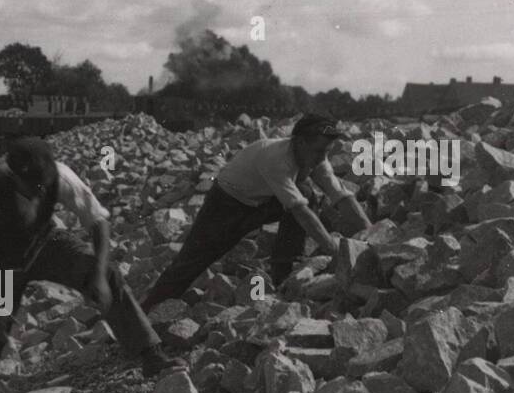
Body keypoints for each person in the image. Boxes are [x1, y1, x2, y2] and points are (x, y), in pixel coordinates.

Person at [0, 136, 179, 393]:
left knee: (104, 272)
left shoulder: (60, 175)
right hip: (0, 262)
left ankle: (149, 352)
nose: (39, 192)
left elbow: (98, 221)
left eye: (43, 185)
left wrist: (98, 277)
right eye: (31, 187)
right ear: (15, 177)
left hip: (45, 244)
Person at [140, 113, 371, 313]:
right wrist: (336, 253)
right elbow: (300, 212)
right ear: (300, 142)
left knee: (305, 192)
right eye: (319, 151)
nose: (323, 158)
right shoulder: (275, 158)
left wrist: (373, 236)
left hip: (262, 202)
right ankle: (146, 315)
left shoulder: (314, 157)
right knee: (193, 259)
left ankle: (284, 271)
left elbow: (341, 195)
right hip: (226, 205)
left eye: (327, 152)